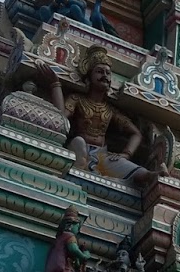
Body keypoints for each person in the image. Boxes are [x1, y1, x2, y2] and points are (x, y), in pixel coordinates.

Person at [38, 46, 171, 193]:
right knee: (79, 143)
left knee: (129, 168)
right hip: (78, 148)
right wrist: (55, 85)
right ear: (88, 78)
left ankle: (154, 175)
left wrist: (126, 154)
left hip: (102, 156)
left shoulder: (110, 110)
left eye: (108, 73)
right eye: (100, 72)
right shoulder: (77, 99)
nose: (105, 76)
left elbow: (136, 134)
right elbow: (60, 118)